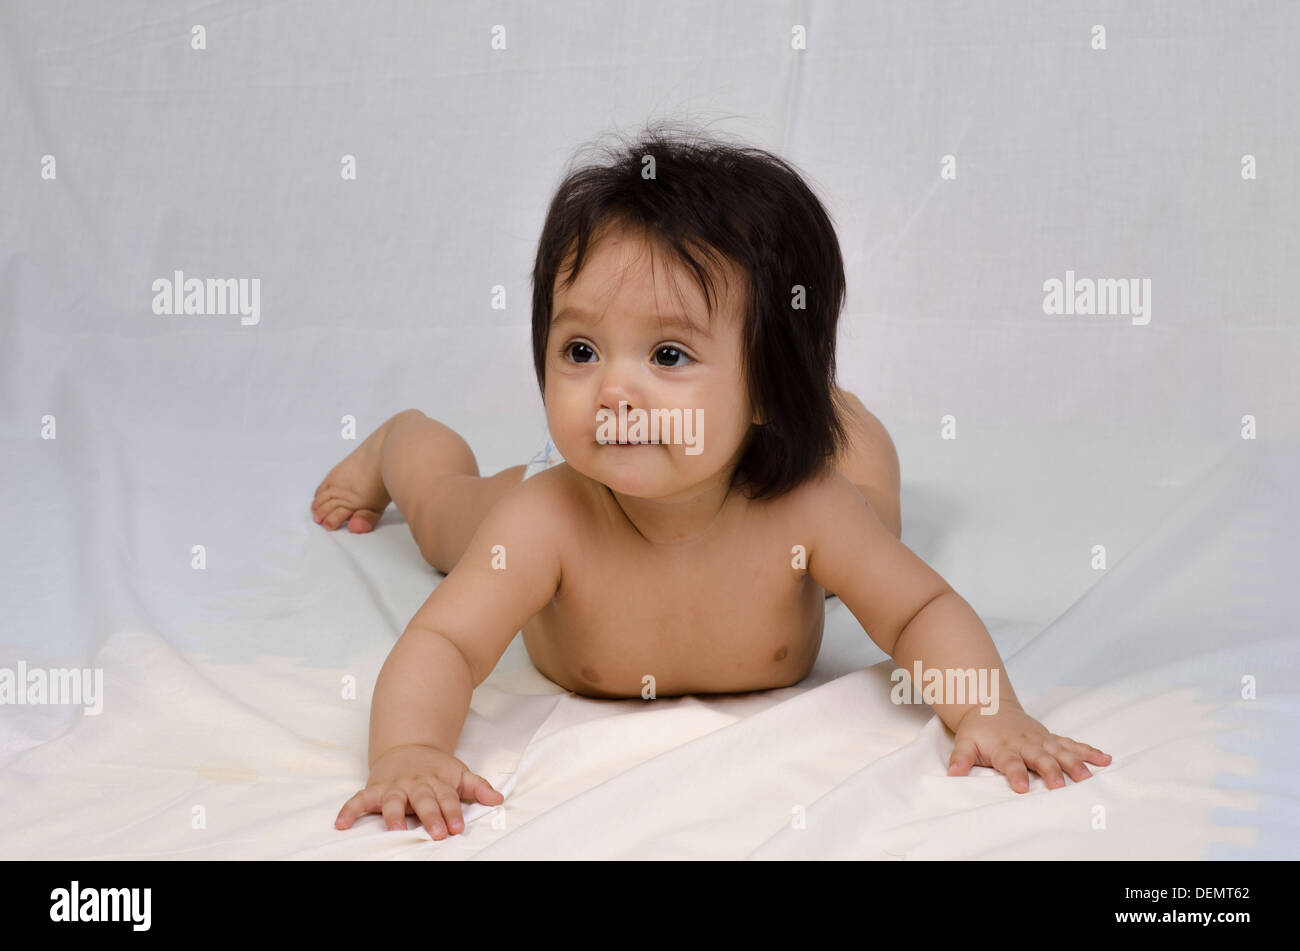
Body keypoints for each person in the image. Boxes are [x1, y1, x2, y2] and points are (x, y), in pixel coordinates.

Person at [316, 123, 1110, 840]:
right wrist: (410, 748)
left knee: (874, 522)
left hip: (775, 468)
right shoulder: (542, 519)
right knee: (442, 517)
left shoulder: (808, 510)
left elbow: (921, 609)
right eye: (581, 351)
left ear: (768, 384)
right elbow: (444, 642)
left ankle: (834, 415)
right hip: (559, 488)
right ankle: (398, 441)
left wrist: (990, 710)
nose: (613, 393)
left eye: (667, 355)